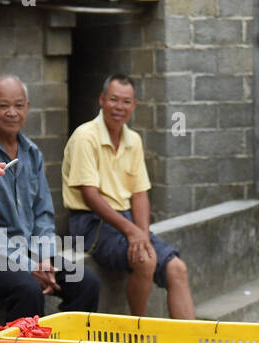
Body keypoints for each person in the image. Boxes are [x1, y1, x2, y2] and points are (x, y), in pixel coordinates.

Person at [0, 75, 100, 320]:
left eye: (19, 105)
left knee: (87, 283)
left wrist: (44, 257)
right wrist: (29, 265)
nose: (12, 112)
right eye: (3, 106)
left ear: (28, 107)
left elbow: (43, 214)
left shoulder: (31, 152)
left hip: (32, 250)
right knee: (28, 289)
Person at [62, 75, 194, 319]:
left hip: (127, 219)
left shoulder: (134, 139)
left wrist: (141, 232)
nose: (119, 107)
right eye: (113, 100)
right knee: (145, 259)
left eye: (126, 102)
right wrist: (132, 232)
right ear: (102, 101)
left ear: (134, 105)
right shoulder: (85, 136)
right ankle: (137, 333)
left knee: (177, 268)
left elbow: (140, 193)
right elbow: (90, 195)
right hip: (90, 221)